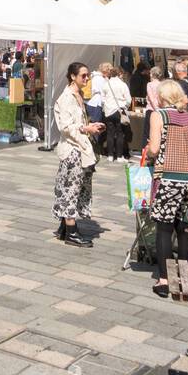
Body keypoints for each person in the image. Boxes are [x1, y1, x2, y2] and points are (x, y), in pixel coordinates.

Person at [143, 81, 188, 298]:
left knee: (164, 228)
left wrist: (148, 150)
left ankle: (165, 279)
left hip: (169, 176)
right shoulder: (186, 114)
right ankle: (184, 276)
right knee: (183, 226)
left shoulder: (159, 115)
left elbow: (155, 149)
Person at [52, 62, 105, 246]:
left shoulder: (79, 95)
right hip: (72, 150)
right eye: (83, 75)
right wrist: (86, 128)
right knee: (70, 189)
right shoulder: (66, 97)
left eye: (87, 75)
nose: (87, 78)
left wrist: (90, 128)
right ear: (73, 76)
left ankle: (64, 227)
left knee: (77, 188)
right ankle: (71, 232)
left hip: (81, 148)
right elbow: (65, 127)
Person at [99, 62, 131, 162]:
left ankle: (110, 155)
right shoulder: (123, 84)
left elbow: (102, 98)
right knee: (120, 133)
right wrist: (124, 107)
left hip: (108, 111)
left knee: (110, 133)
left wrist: (107, 105)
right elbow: (128, 100)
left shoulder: (106, 84)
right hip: (119, 111)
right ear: (119, 74)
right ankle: (119, 156)